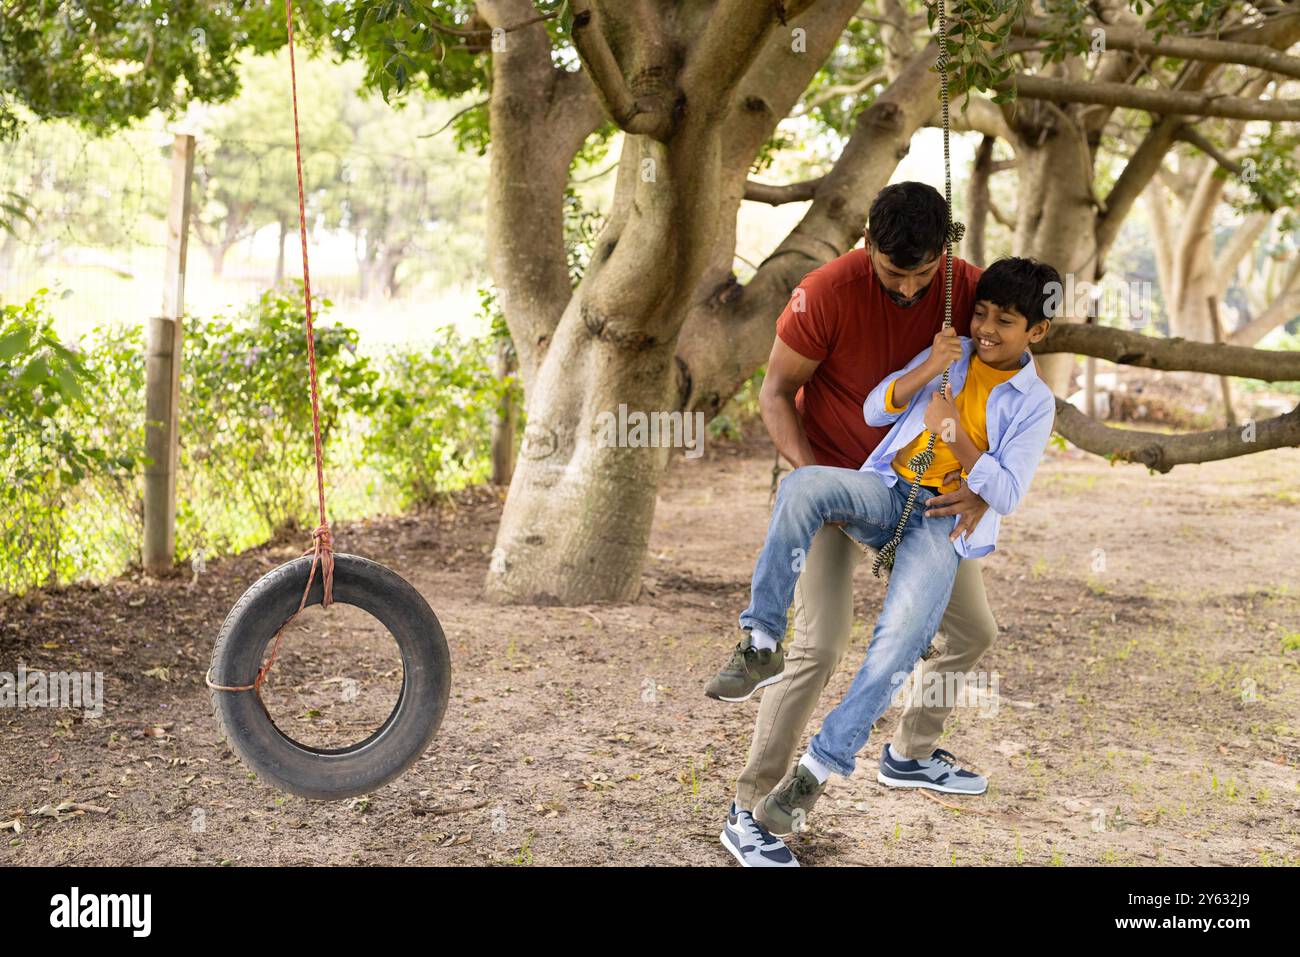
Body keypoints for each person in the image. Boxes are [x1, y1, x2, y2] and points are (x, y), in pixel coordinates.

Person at [707, 181, 1006, 868]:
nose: (906, 287)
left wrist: (982, 490)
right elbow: (776, 394)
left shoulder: (968, 290)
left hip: (922, 491)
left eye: (921, 273)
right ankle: (750, 808)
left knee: (972, 629)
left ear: (946, 252)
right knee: (820, 643)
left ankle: (908, 752)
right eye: (892, 270)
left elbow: (1014, 382)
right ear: (866, 244)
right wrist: (816, 481)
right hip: (836, 477)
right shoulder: (827, 291)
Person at [724, 257, 1059, 838]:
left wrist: (956, 438)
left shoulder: (1034, 402)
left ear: (1037, 331)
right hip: (885, 489)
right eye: (981, 312)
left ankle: (825, 766)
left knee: (904, 641)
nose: (985, 328)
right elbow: (877, 407)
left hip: (937, 520)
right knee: (802, 487)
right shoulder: (951, 355)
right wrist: (929, 365)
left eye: (1005, 321)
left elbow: (1006, 490)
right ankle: (760, 638)